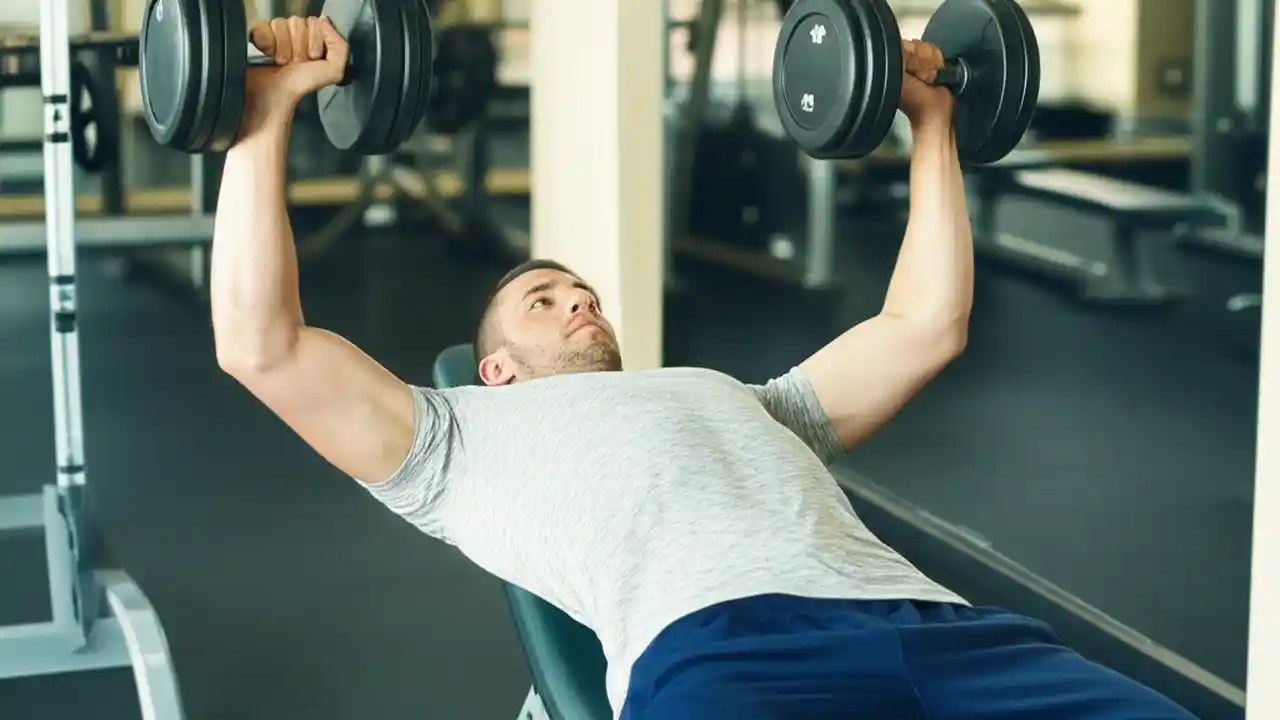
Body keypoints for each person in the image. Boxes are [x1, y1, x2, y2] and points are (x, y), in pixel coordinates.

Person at [213, 15, 1197, 720]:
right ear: (495, 369)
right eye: (542, 301)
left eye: (581, 291)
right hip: (726, 653)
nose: (578, 301)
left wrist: (933, 123)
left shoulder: (737, 399)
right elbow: (263, 344)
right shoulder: (454, 440)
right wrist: (267, 114)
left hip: (946, 631)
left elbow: (922, 324)